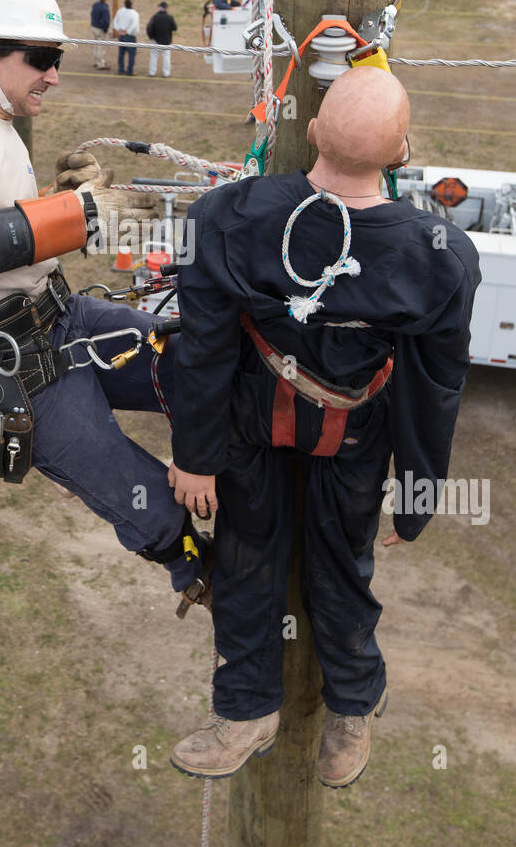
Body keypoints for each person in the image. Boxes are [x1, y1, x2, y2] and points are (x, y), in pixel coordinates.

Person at [168, 67, 480, 782]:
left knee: (249, 567)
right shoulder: (439, 258)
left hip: (252, 430)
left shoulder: (224, 218)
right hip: (344, 438)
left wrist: (194, 456)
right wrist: (419, 496)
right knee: (338, 569)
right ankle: (344, 707)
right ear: (400, 155)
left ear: (308, 131)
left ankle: (255, 709)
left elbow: (203, 349)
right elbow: (434, 392)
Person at [0, 0, 207, 607]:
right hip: (14, 368)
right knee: (144, 497)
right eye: (41, 59)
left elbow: (5, 231)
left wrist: (58, 204)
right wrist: (81, 214)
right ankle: (206, 573)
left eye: (56, 60)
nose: (54, 75)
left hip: (64, 320)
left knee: (200, 365)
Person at [146, 1, 177, 78]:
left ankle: (152, 72)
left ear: (160, 8)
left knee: (153, 56)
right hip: (167, 41)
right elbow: (175, 28)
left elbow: (149, 28)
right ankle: (166, 73)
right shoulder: (170, 18)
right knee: (166, 58)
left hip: (155, 41)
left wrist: (151, 37)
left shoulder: (155, 17)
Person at [113, 0, 140, 75]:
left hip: (121, 35)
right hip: (130, 36)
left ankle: (120, 69)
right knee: (131, 54)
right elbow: (134, 24)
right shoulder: (134, 13)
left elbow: (115, 21)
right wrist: (127, 31)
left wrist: (119, 30)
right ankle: (130, 71)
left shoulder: (120, 11)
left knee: (121, 53)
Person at [90, 0, 111, 69]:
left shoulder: (95, 5)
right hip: (100, 29)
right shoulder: (105, 9)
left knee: (96, 45)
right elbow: (105, 22)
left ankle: (96, 61)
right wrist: (105, 30)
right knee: (101, 46)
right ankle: (100, 64)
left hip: (94, 27)